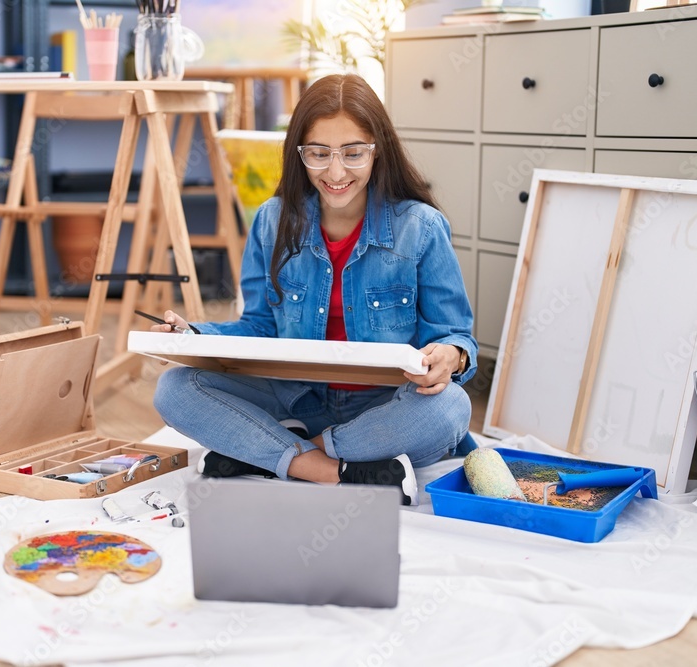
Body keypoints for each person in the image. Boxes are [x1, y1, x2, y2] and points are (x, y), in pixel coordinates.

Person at [151, 73, 476, 505]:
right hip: (294, 400)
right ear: (299, 153)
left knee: (450, 408)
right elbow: (260, 328)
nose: (336, 172)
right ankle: (331, 469)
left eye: (353, 153)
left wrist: (452, 355)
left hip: (383, 408)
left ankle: (272, 454)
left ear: (377, 150)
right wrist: (194, 336)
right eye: (319, 154)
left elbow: (454, 335)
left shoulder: (421, 227)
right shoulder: (272, 221)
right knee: (175, 388)